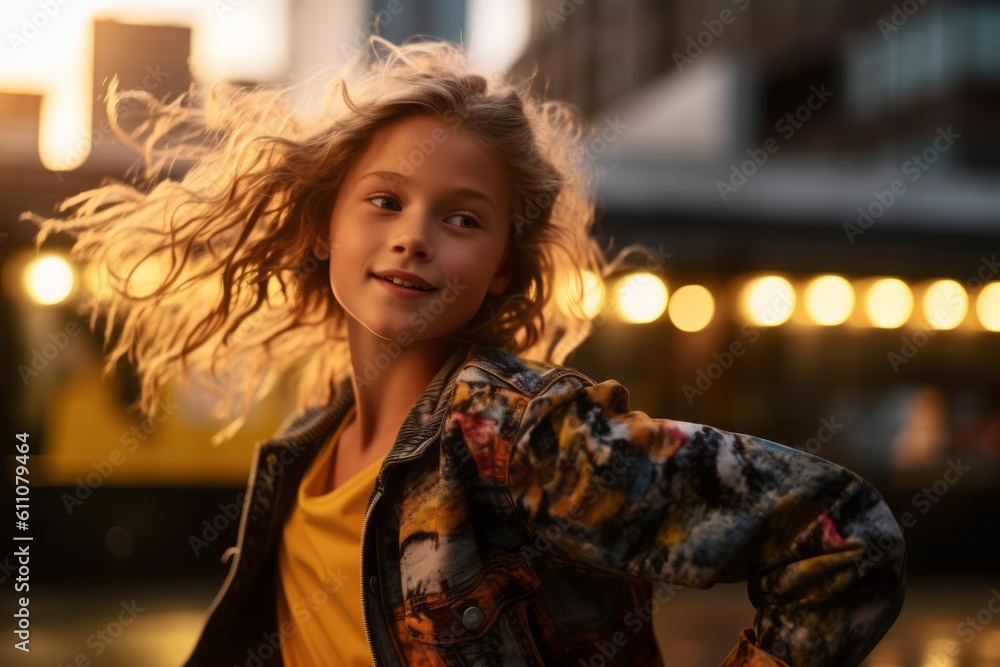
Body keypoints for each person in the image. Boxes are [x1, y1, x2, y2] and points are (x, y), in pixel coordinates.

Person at [27, 37, 905, 667]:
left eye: (462, 218)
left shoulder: (514, 432)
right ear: (321, 230)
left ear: (498, 273)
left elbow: (845, 535)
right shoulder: (302, 449)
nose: (414, 238)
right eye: (384, 200)